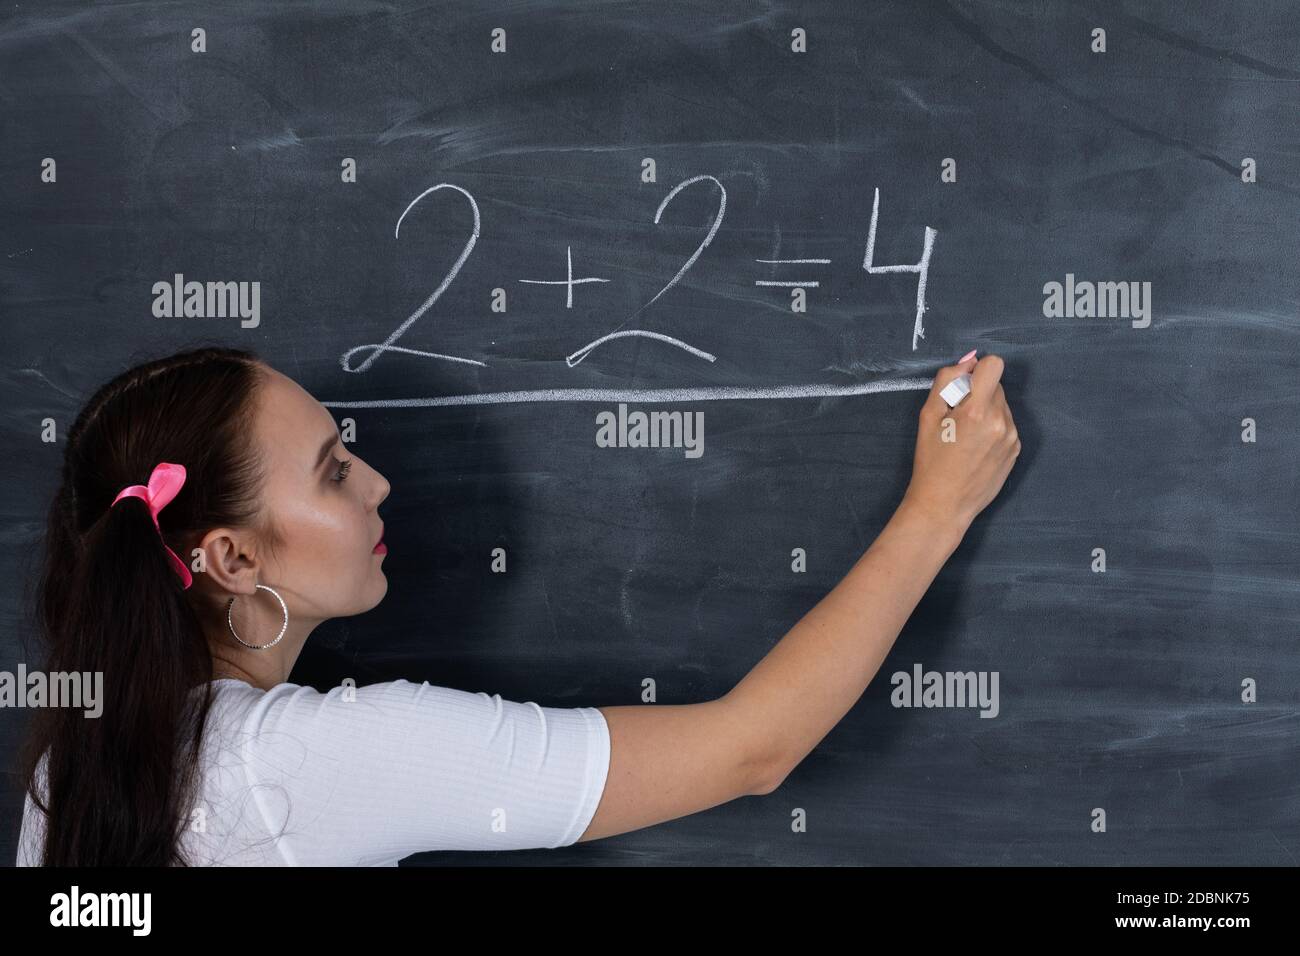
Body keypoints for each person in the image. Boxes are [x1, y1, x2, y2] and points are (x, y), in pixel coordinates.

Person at [14, 344, 1018, 866]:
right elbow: (751, 750)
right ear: (229, 556)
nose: (377, 484)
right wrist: (939, 507)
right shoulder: (306, 758)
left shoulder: (73, 770)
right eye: (332, 470)